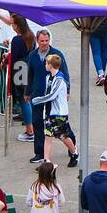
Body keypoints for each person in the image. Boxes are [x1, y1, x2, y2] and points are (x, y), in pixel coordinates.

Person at [23, 29, 66, 160]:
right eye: (42, 41)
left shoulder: (57, 55)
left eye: (46, 41)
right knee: (37, 123)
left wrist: (67, 90)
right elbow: (29, 74)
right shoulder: (33, 55)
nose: (44, 43)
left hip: (52, 97)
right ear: (37, 41)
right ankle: (39, 153)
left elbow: (65, 73)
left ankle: (72, 148)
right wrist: (27, 92)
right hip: (37, 94)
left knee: (60, 125)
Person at [31, 54, 78, 167]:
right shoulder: (48, 78)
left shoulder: (60, 80)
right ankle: (47, 162)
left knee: (63, 136)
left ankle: (74, 153)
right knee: (48, 137)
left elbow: (52, 95)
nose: (45, 65)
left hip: (59, 114)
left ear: (51, 65)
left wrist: (37, 100)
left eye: (47, 63)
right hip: (49, 113)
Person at [88, 16, 107, 83]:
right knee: (104, 50)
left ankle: (100, 73)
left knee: (96, 52)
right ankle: (103, 71)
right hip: (106, 26)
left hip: (94, 27)